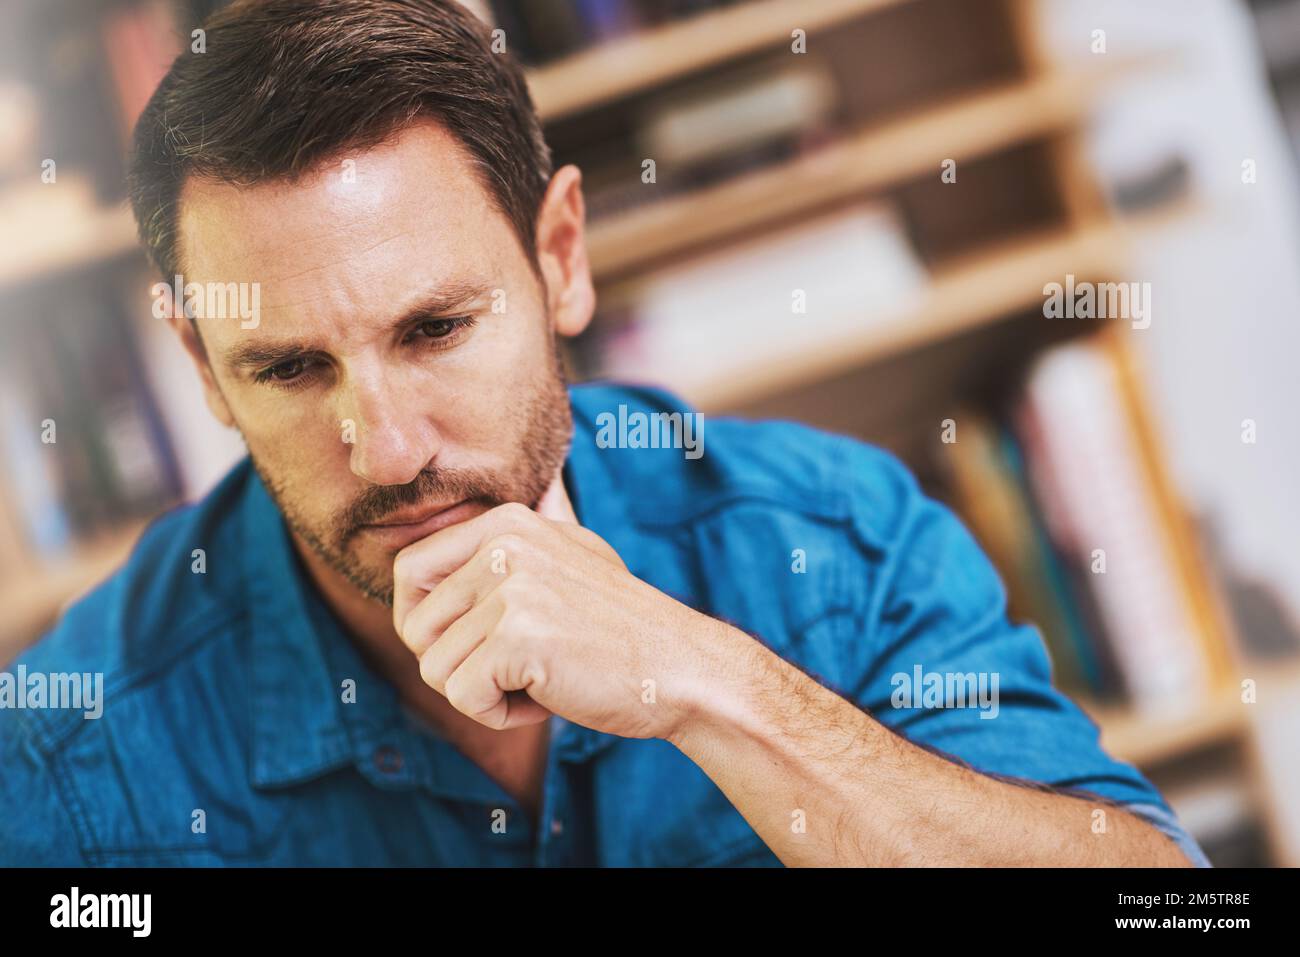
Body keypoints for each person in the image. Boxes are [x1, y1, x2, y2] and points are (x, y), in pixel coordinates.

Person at [0, 0, 1207, 866]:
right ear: (200, 365)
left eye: (433, 329)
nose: (387, 447)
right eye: (289, 367)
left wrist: (700, 684)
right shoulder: (66, 763)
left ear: (561, 258)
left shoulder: (835, 540)